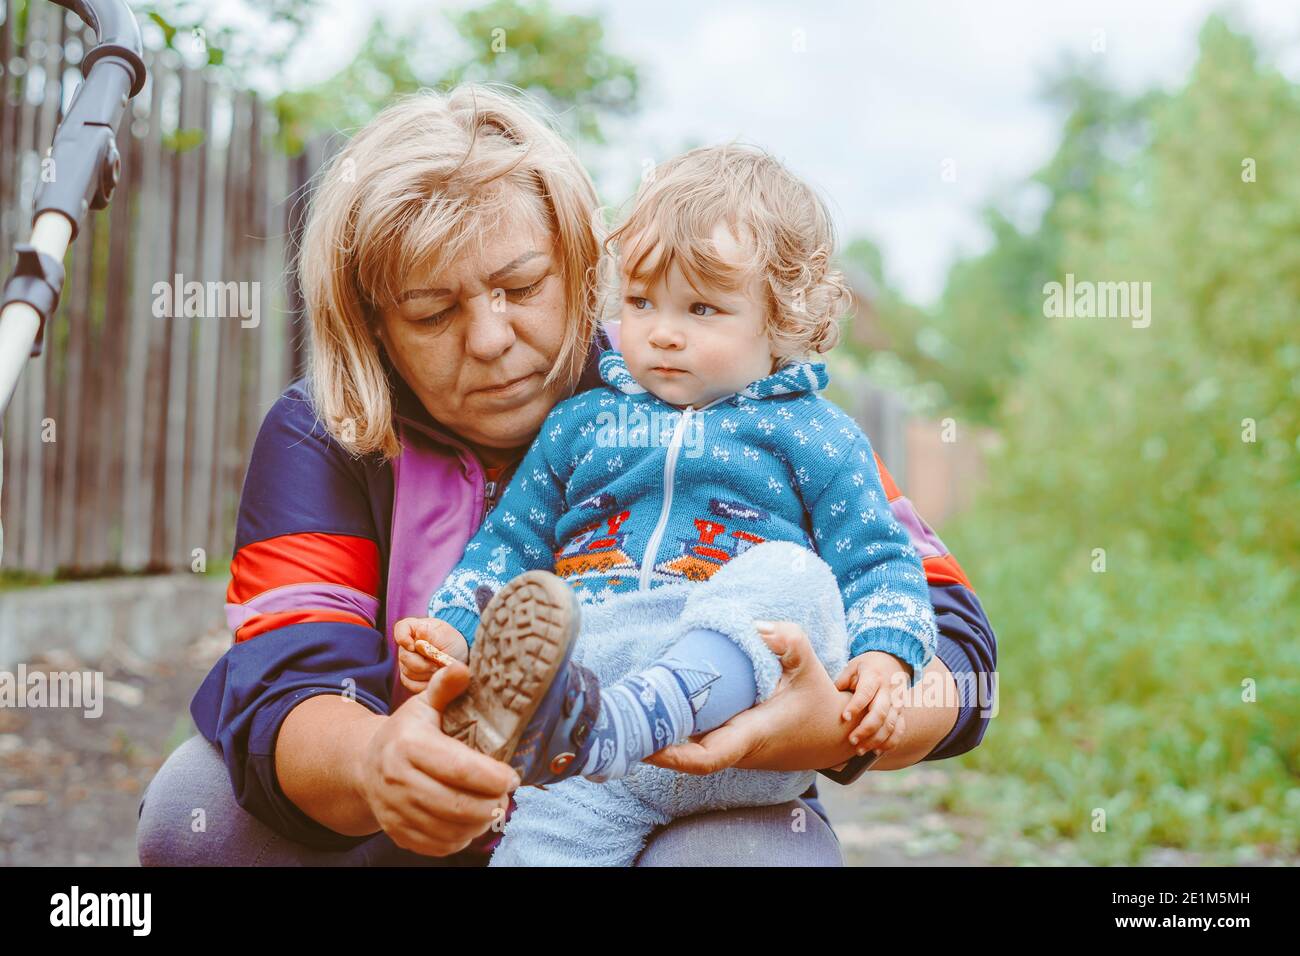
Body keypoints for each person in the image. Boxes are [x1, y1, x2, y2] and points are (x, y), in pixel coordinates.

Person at [136, 84, 997, 868]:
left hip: (674, 798)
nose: (489, 337)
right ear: (372, 326)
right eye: (432, 311)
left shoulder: (703, 390)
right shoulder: (325, 431)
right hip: (443, 816)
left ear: (582, 263)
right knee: (193, 814)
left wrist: (836, 727)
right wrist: (376, 764)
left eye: (522, 285)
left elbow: (953, 642)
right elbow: (289, 677)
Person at [397, 144, 937, 865]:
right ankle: (606, 722)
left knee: (793, 575)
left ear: (783, 319)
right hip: (584, 742)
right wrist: (455, 632)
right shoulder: (579, 425)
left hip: (744, 721)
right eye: (642, 301)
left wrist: (885, 659)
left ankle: (641, 715)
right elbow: (507, 547)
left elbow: (879, 562)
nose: (663, 330)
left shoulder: (818, 434)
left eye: (703, 307)